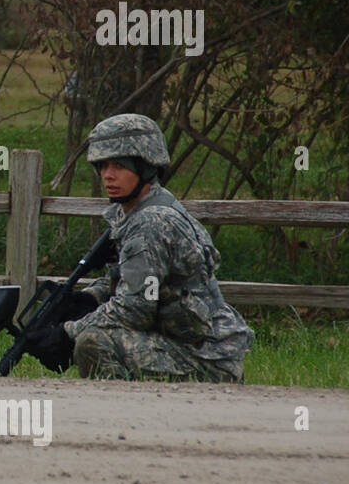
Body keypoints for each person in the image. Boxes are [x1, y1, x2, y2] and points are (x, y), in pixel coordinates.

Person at [22, 113, 254, 382]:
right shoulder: (137, 211)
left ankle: (124, 416)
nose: (108, 175)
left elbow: (135, 310)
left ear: (145, 166)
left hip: (205, 358)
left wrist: (67, 333)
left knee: (92, 340)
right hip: (179, 343)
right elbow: (131, 281)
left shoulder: (151, 222)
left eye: (119, 165)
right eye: (102, 165)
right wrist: (88, 298)